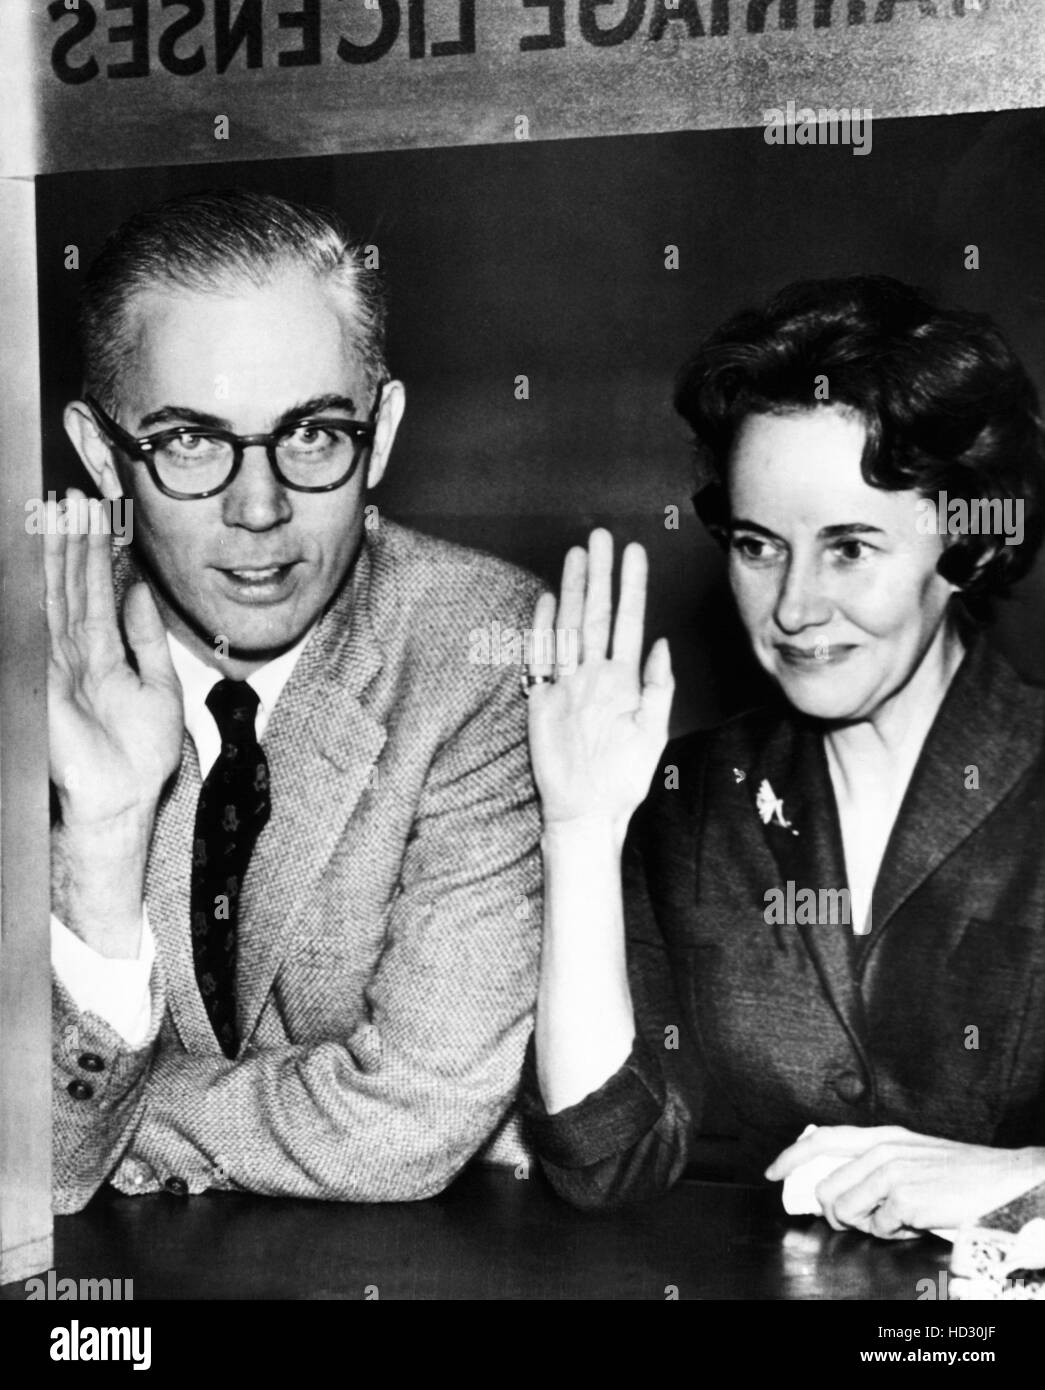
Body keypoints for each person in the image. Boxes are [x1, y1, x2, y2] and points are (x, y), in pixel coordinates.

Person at [47, 189, 541, 1214]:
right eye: (189, 441)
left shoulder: (476, 649)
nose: (261, 508)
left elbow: (404, 1124)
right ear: (102, 458)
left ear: (383, 431)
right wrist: (102, 840)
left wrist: (113, 1109)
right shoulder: (30, 669)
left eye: (314, 436)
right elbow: (29, 1169)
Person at [523, 275, 1045, 1238]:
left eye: (849, 548)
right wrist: (580, 828)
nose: (795, 607)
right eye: (760, 546)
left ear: (965, 546)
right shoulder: (690, 802)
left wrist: (1026, 1187)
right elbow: (606, 1163)